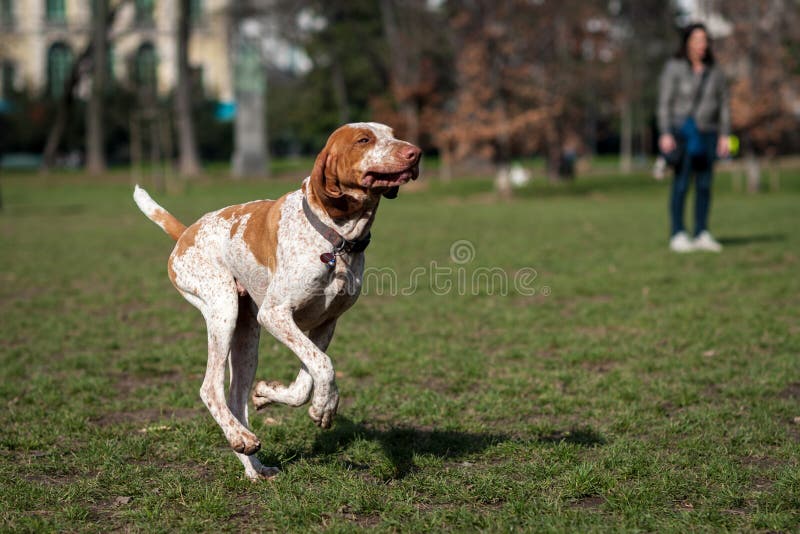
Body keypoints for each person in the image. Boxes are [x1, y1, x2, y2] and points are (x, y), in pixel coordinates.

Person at [657, 23, 730, 253]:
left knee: (705, 184)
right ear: (687, 42)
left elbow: (724, 104)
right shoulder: (675, 67)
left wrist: (725, 134)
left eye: (705, 39)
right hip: (683, 132)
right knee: (681, 183)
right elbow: (665, 102)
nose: (702, 44)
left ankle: (701, 232)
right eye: (697, 39)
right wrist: (665, 132)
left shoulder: (715, 70)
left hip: (709, 132)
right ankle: (678, 233)